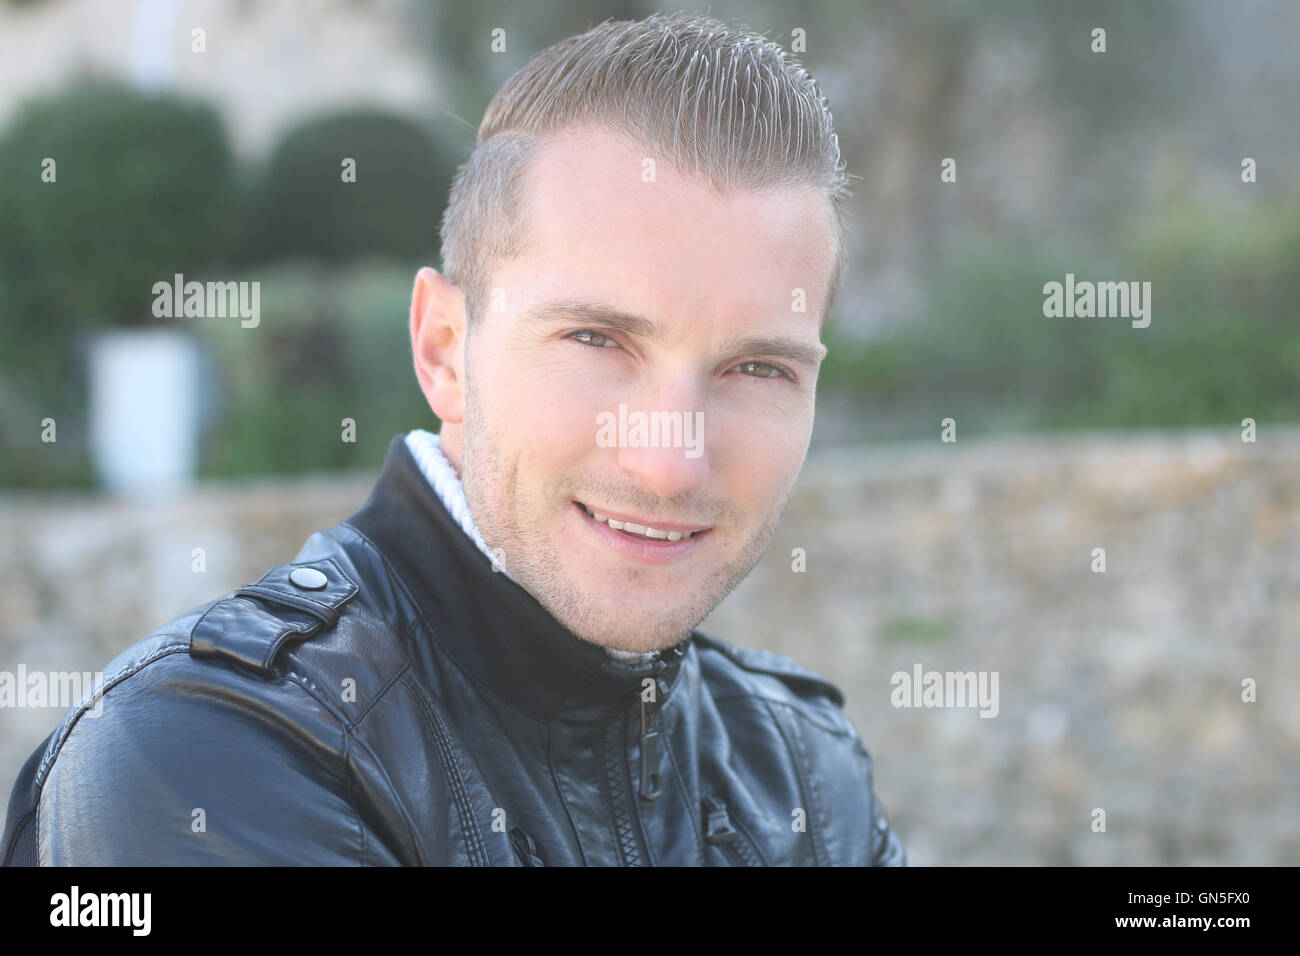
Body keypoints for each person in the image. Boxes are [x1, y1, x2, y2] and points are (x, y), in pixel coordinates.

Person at [3, 11, 904, 866]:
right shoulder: (205, 755)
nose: (669, 463)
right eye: (596, 341)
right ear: (443, 350)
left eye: (759, 369)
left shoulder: (804, 769)